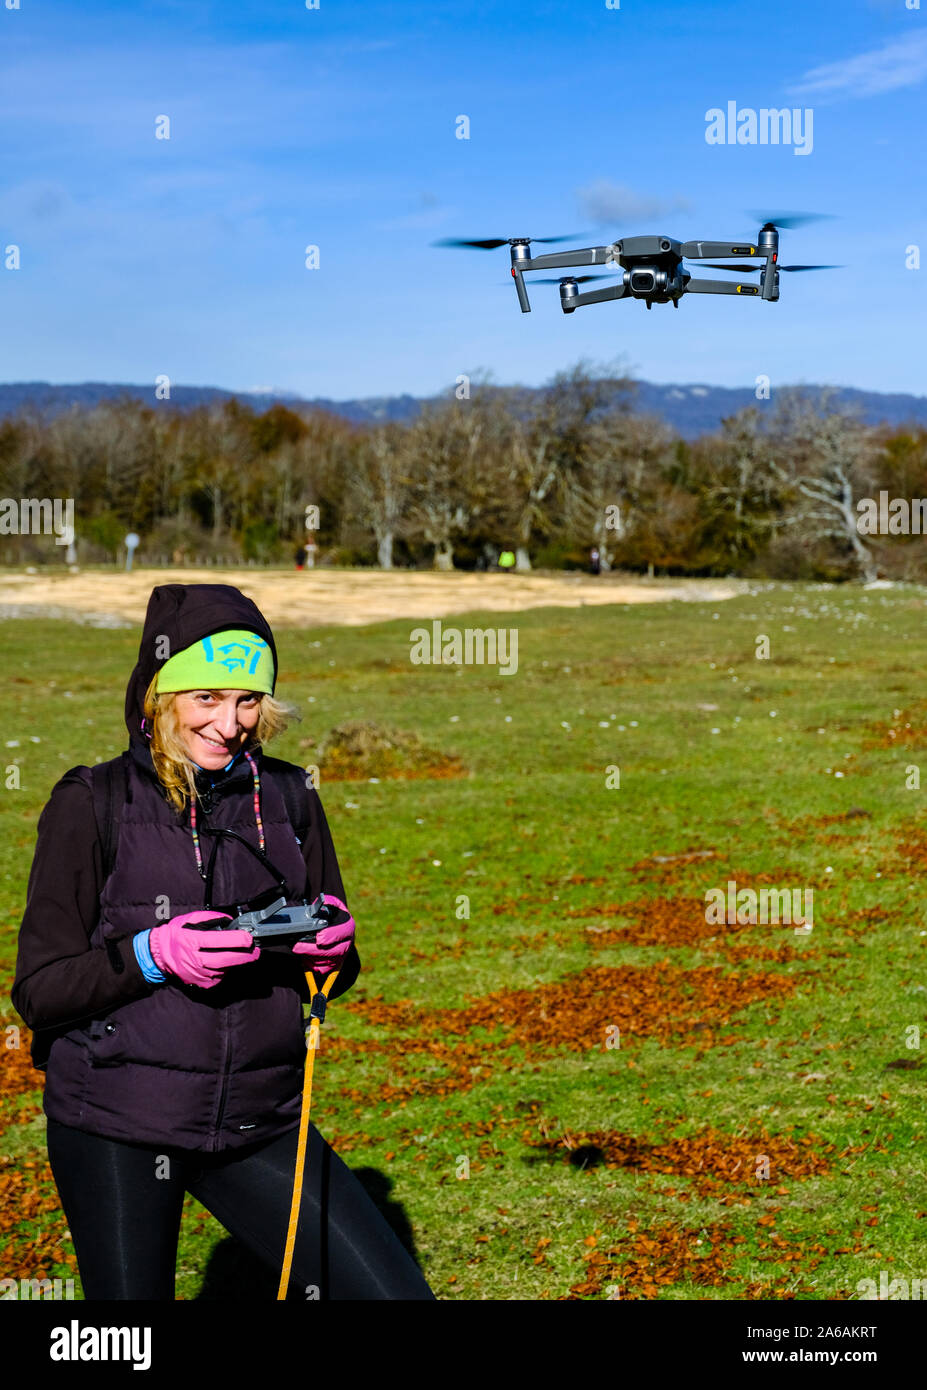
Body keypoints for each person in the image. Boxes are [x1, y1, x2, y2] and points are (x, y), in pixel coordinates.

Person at [11, 582, 436, 1302]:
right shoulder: (92, 802)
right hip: (117, 1120)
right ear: (158, 694)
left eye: (247, 700)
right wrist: (152, 955)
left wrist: (333, 953)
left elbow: (331, 959)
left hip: (256, 1118)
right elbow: (39, 990)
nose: (229, 723)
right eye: (205, 697)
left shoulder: (291, 795)